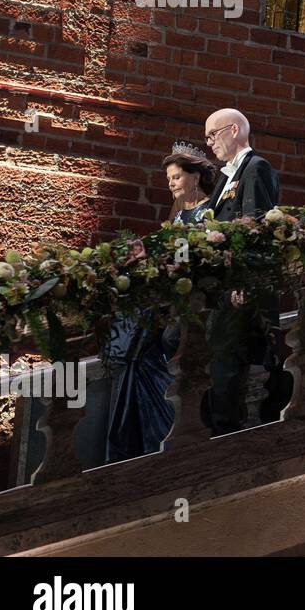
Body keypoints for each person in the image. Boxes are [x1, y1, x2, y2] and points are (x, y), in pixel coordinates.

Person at [103, 143, 217, 461]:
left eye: (177, 176)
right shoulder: (178, 214)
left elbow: (201, 260)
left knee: (167, 353)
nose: (171, 183)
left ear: (195, 178)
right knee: (139, 354)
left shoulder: (210, 212)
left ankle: (170, 430)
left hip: (188, 301)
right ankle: (141, 438)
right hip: (165, 299)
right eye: (168, 178)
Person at [202, 108, 285, 434]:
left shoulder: (255, 168)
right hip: (221, 285)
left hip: (239, 286)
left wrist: (244, 279)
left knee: (229, 360)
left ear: (233, 130)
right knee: (219, 358)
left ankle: (225, 432)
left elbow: (256, 226)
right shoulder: (226, 175)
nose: (209, 143)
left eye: (212, 134)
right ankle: (219, 427)